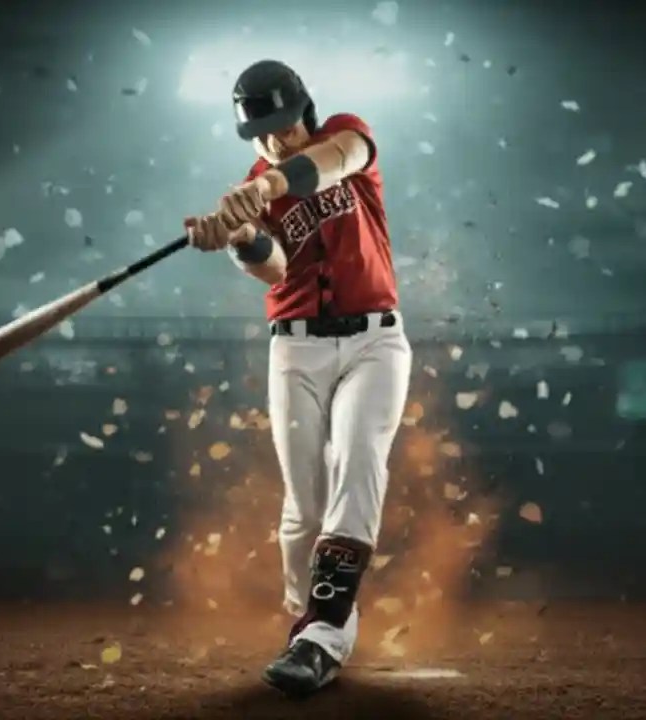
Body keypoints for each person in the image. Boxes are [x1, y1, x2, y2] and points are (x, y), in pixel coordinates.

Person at [183, 59, 412, 697]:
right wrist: (236, 236)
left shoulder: (345, 132)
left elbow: (335, 160)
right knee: (303, 510)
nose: (271, 142)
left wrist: (271, 185)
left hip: (375, 340)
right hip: (296, 352)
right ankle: (309, 622)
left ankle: (321, 636)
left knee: (360, 459)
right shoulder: (253, 183)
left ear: (304, 113)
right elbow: (274, 270)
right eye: (259, 134)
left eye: (282, 127)